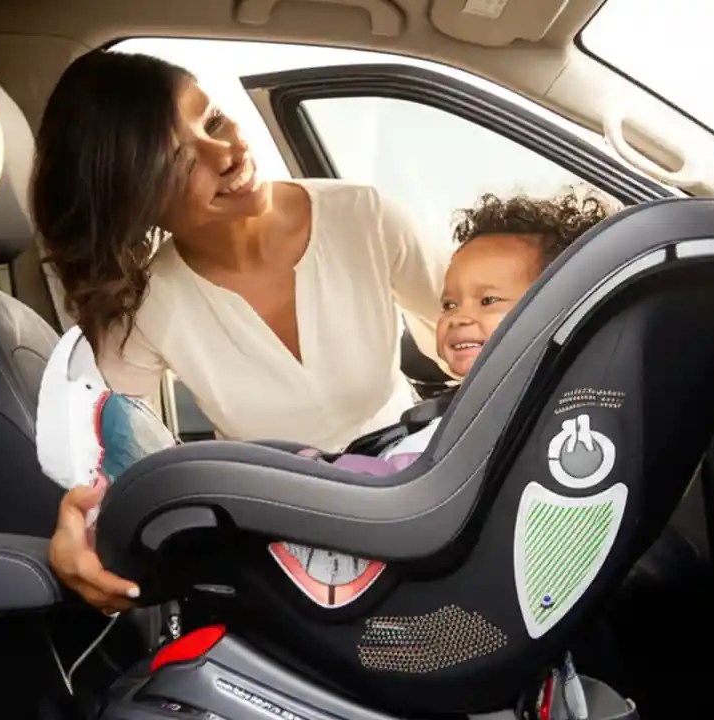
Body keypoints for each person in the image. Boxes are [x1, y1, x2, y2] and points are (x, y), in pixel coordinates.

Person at [40, 190, 617, 612]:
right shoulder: (149, 299)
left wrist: (312, 474)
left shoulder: (524, 414)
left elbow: (403, 481)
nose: (459, 316)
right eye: (447, 305)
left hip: (386, 549)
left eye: (488, 300)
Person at [31, 49, 449, 610]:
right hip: (282, 547)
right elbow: (111, 460)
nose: (226, 153)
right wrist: (75, 534)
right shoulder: (142, 305)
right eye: (180, 163)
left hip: (414, 495)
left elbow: (477, 340)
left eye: (215, 121)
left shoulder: (363, 217)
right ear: (136, 202)